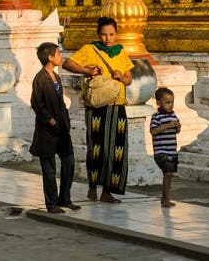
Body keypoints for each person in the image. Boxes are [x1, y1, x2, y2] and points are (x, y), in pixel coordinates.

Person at [62, 16, 133, 204]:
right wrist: (88, 71)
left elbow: (129, 79)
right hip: (97, 106)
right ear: (98, 34)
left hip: (117, 105)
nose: (108, 38)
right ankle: (93, 186)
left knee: (117, 149)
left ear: (116, 34)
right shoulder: (90, 49)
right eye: (104, 34)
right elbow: (67, 63)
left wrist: (121, 77)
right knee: (96, 147)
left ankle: (108, 191)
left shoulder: (121, 52)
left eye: (111, 34)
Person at [30, 42, 81, 214]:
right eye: (58, 54)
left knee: (69, 161)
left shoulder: (56, 77)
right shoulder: (40, 79)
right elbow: (36, 103)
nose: (61, 57)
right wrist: (50, 120)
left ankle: (65, 198)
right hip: (47, 130)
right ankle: (51, 203)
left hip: (61, 128)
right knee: (49, 169)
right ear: (50, 57)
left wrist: (64, 119)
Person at [150, 87, 181, 207]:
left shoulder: (173, 115)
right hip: (161, 151)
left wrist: (178, 127)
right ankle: (165, 199)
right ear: (159, 103)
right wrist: (167, 126)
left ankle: (166, 198)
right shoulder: (156, 116)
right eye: (167, 102)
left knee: (169, 175)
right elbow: (153, 131)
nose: (170, 105)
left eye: (172, 102)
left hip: (171, 151)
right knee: (167, 173)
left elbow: (177, 131)